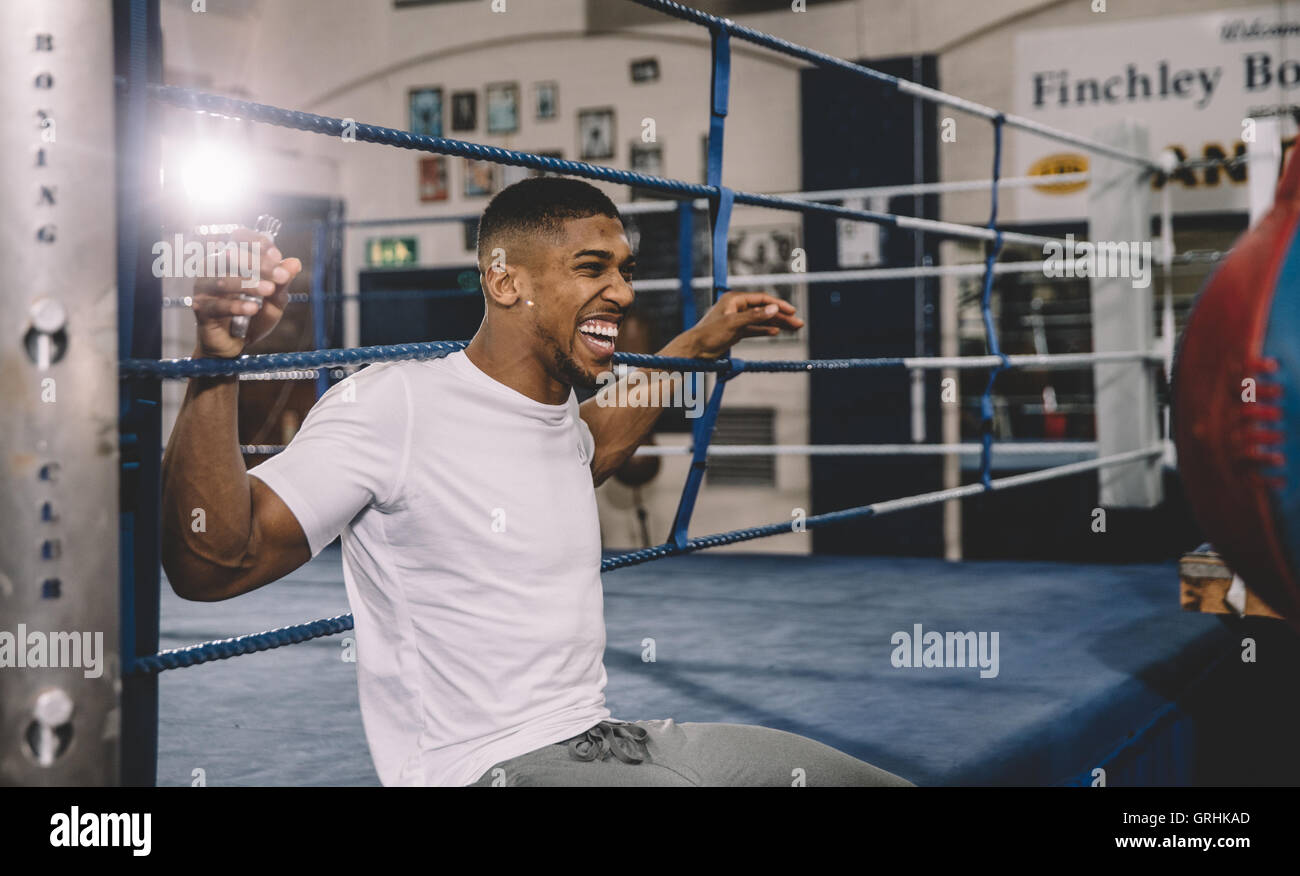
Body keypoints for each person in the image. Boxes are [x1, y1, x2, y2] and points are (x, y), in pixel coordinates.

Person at [161, 176, 913, 787]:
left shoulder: (558, 421)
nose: (620, 292)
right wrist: (214, 363)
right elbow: (213, 563)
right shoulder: (393, 403)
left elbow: (598, 443)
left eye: (624, 271)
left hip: (610, 741)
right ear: (506, 282)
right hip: (487, 769)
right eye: (593, 269)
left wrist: (701, 342)